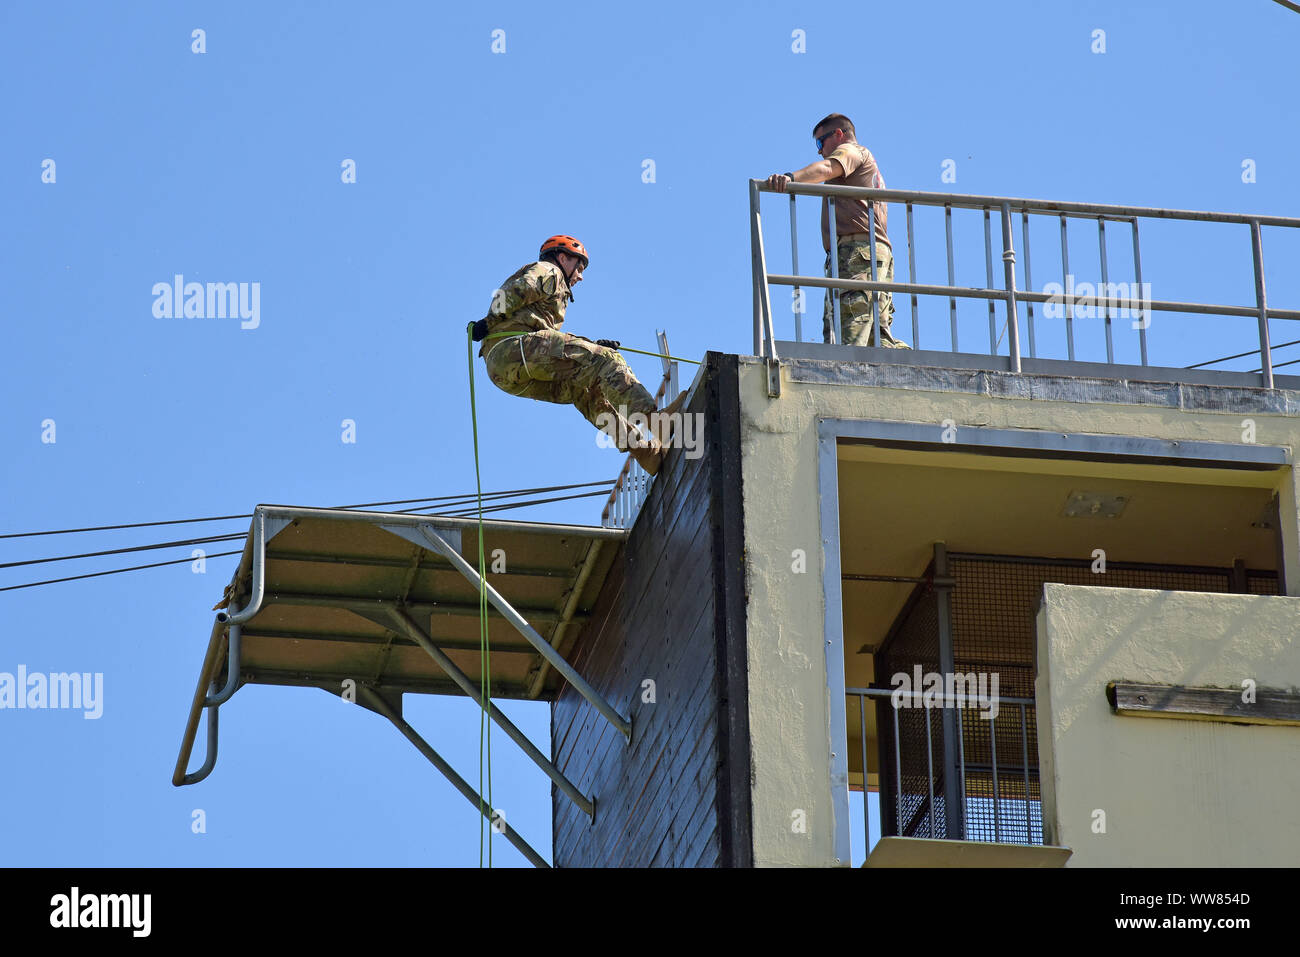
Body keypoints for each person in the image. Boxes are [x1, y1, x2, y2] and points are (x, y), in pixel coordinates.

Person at [472, 235, 673, 474]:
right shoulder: (549, 270)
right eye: (578, 266)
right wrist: (488, 321)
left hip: (504, 371)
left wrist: (591, 346)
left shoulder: (554, 291)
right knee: (607, 360)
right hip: (512, 348)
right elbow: (520, 288)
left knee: (585, 390)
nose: (580, 275)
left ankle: (645, 452)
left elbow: (550, 343)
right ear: (562, 257)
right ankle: (657, 420)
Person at [767, 113, 910, 349]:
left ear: (839, 135)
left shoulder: (853, 152)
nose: (820, 151)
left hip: (857, 255)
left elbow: (825, 168)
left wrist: (789, 179)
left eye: (820, 143)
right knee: (877, 335)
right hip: (874, 254)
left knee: (847, 331)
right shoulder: (867, 164)